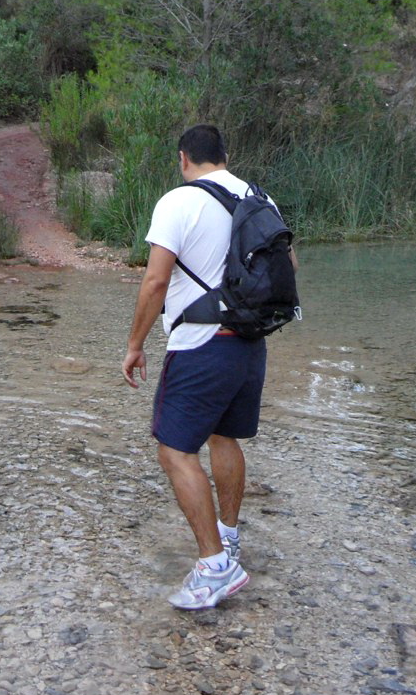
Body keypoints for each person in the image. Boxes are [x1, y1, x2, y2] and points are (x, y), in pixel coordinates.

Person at [121, 124, 298, 610]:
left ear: (183, 159)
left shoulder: (177, 202)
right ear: (226, 154)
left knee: (175, 451)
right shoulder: (260, 197)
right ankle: (229, 537)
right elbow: (291, 267)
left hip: (200, 344)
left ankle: (214, 566)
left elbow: (156, 282)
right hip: (248, 343)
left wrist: (135, 343)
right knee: (224, 437)